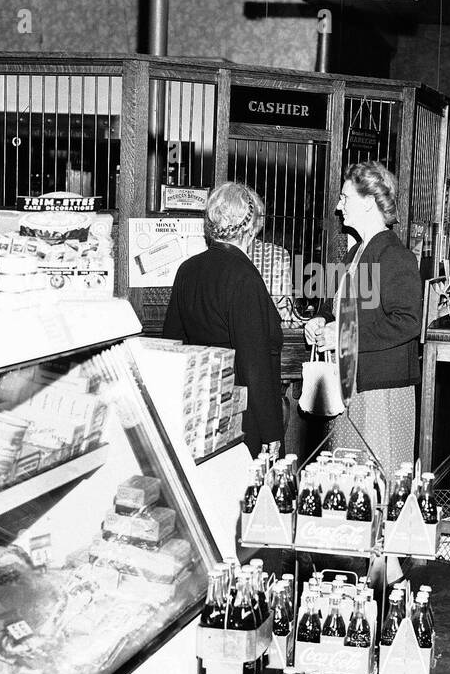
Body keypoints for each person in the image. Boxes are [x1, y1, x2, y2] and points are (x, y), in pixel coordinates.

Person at [303, 161, 422, 481]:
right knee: (348, 479)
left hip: (381, 390)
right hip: (348, 386)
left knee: (379, 480)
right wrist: (319, 321)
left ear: (369, 202)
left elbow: (407, 321)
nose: (339, 207)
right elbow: (332, 308)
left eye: (345, 198)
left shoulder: (395, 256)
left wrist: (342, 336)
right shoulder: (352, 255)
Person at [163, 182, 284, 457]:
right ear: (251, 226)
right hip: (240, 413)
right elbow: (254, 362)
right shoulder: (245, 278)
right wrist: (271, 432)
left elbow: (171, 343)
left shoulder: (187, 270)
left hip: (199, 406)